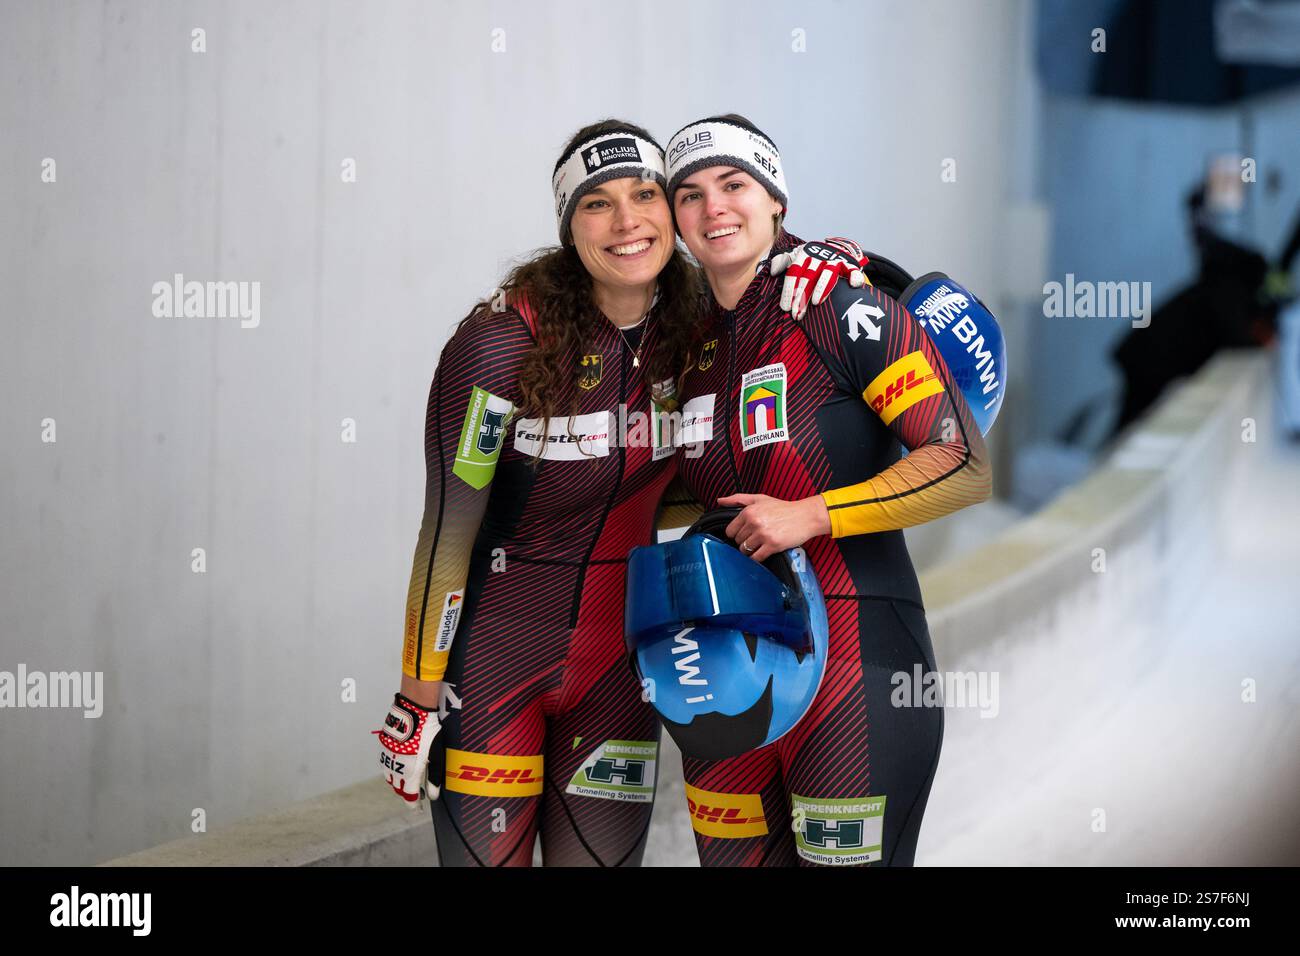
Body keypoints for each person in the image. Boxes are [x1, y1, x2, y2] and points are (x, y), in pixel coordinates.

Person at [661, 114, 993, 866]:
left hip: (856, 668)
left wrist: (811, 515)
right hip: (722, 679)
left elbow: (961, 463)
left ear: (776, 198)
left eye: (734, 184)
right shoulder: (689, 346)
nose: (714, 207)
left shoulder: (842, 302)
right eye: (691, 194)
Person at [375, 119, 701, 866]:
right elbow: (447, 535)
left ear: (670, 211)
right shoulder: (498, 344)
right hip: (495, 664)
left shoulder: (698, 331)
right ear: (567, 227)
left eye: (645, 194)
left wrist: (839, 261)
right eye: (597, 203)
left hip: (620, 666)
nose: (626, 222)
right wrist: (416, 698)